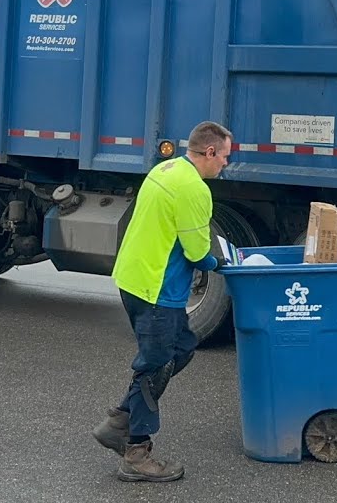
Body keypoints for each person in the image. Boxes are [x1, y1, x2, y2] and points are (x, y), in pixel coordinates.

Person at [92, 121, 233, 481]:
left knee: (182, 347)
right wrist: (224, 264)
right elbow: (199, 252)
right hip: (158, 288)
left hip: (135, 278)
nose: (226, 165)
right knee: (154, 366)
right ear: (211, 152)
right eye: (226, 157)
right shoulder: (194, 189)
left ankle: (119, 420)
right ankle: (136, 455)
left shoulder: (165, 168)